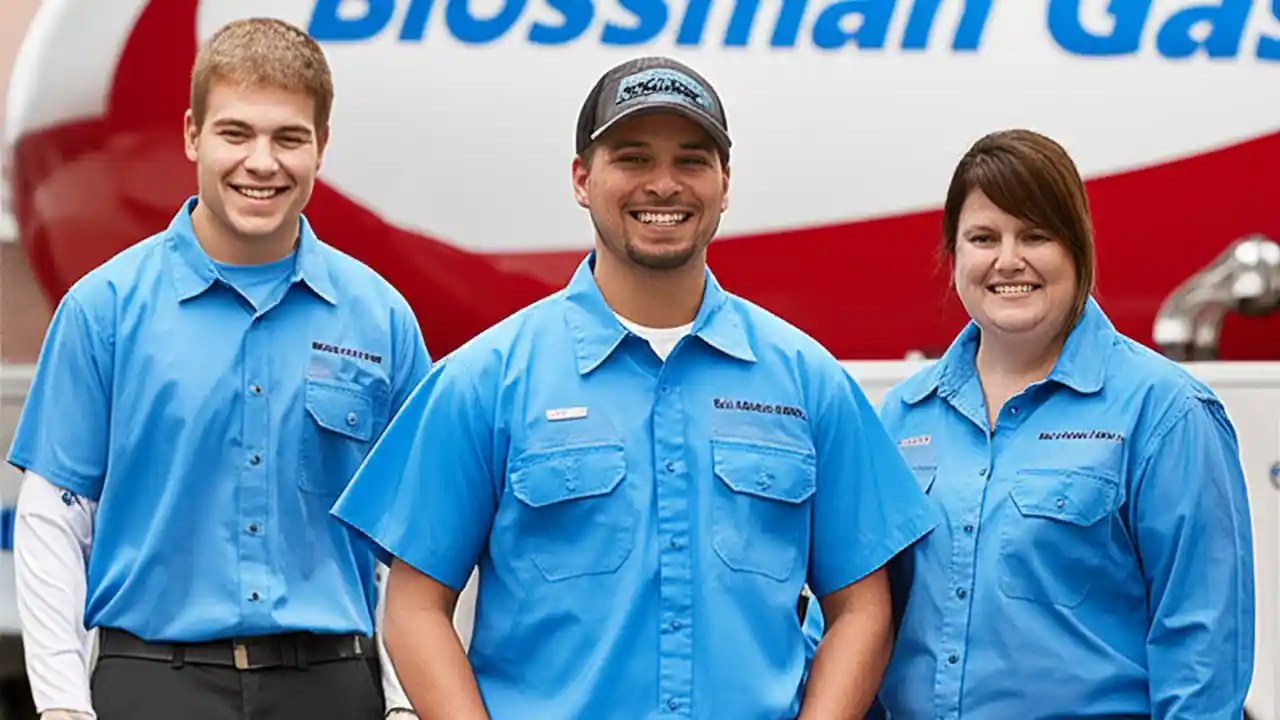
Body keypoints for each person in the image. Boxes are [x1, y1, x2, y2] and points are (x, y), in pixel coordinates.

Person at [329, 55, 938, 720]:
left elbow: (862, 606)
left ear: (725, 182)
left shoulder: (808, 382)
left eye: (692, 160)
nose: (664, 185)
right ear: (582, 179)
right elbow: (415, 609)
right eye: (633, 158)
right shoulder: (487, 380)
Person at [8, 17, 431, 720]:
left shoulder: (379, 318)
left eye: (288, 137)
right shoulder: (104, 310)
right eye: (236, 133)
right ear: (192, 136)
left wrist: (404, 700)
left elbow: (419, 534)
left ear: (321, 148)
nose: (261, 162)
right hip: (151, 685)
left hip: (333, 687)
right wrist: (62, 708)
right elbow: (55, 517)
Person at [811, 128, 1255, 718]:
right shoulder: (902, 417)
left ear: (1078, 249)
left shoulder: (1165, 414)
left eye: (1036, 235)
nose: (1008, 260)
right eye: (983, 238)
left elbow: (1203, 647)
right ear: (954, 255)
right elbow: (857, 623)